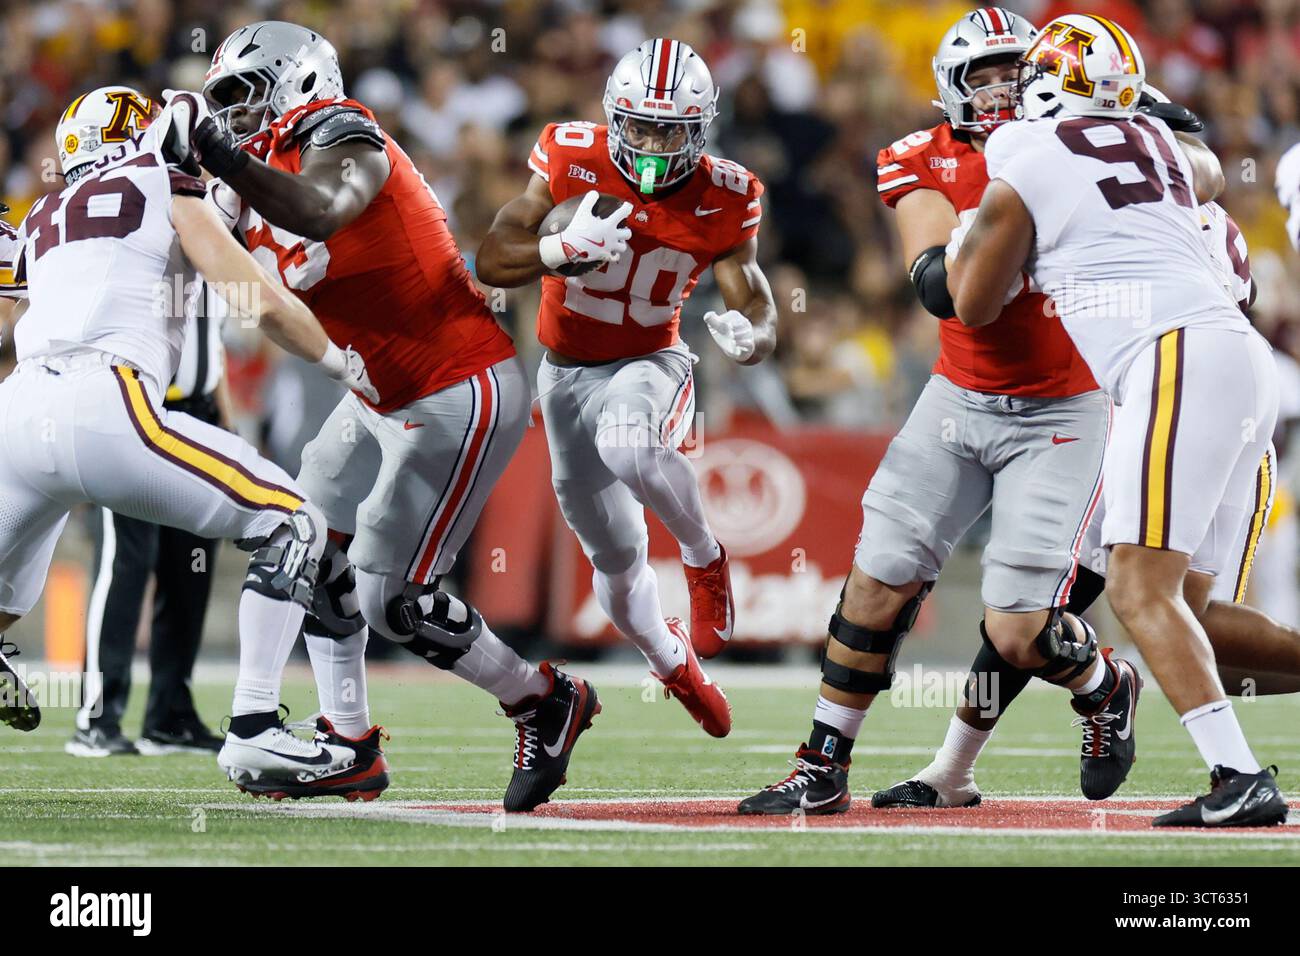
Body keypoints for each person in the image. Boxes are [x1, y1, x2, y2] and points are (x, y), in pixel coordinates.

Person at [740, 7, 1139, 817]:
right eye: (980, 75)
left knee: (1023, 629)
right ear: (950, 89)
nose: (997, 90)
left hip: (1065, 407)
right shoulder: (920, 159)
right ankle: (822, 763)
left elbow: (1180, 160)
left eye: (1010, 71)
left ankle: (1105, 683)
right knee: (877, 579)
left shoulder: (1083, 146)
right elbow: (936, 288)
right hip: (959, 397)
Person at [194, 21, 596, 810]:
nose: (235, 117)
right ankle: (349, 740)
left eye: (243, 97)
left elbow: (318, 209)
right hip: (377, 394)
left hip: (457, 386)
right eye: (223, 107)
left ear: (298, 81)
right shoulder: (249, 174)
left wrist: (215, 156)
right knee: (304, 538)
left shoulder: (344, 131)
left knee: (393, 600)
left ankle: (542, 698)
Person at [949, 14, 1287, 827]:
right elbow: (1203, 165)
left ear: (1040, 83)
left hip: (1172, 356)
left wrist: (974, 241)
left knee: (1136, 592)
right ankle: (954, 760)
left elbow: (970, 301)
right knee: (1189, 616)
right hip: (1235, 355)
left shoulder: (1023, 149)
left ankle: (1237, 777)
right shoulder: (1166, 145)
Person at [0, 84, 376, 804]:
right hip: (104, 404)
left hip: (16, 411)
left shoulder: (45, 212)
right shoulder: (159, 179)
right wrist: (340, 365)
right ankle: (256, 726)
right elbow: (254, 299)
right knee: (294, 520)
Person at [476, 38, 779, 738]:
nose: (648, 141)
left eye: (668, 129)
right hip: (565, 373)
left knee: (631, 448)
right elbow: (493, 257)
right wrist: (559, 251)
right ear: (613, 115)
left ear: (699, 129)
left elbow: (756, 302)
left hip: (651, 360)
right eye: (638, 124)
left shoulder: (727, 195)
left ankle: (706, 559)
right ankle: (672, 661)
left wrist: (753, 336)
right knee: (614, 567)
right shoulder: (568, 154)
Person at [68, 282, 231, 757]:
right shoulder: (142, 236)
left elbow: (211, 350)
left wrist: (227, 422)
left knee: (191, 568)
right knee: (125, 562)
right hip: (139, 409)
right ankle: (97, 717)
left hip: (198, 415)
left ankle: (170, 715)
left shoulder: (217, 250)